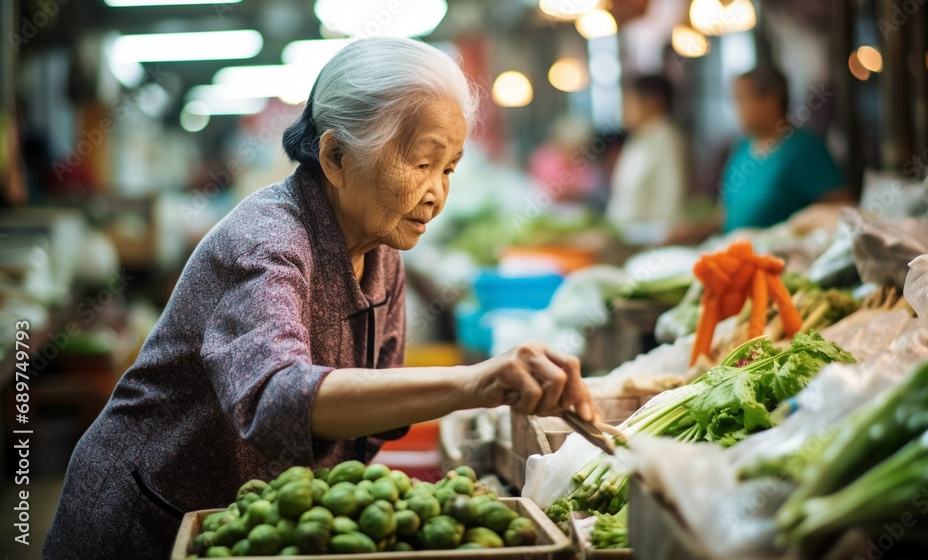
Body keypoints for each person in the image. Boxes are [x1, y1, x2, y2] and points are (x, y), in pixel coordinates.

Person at [44, 37, 596, 559]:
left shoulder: (384, 252)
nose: (436, 194)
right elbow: (276, 398)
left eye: (448, 168)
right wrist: (476, 381)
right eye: (422, 164)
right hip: (148, 522)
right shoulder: (266, 240)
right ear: (334, 157)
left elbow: (374, 412)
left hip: (252, 522)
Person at [719, 66, 849, 232]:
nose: (736, 108)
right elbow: (727, 213)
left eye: (742, 99)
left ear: (771, 101)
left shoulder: (803, 148)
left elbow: (840, 204)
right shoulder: (742, 148)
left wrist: (791, 230)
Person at [606, 75, 691, 245]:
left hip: (648, 244)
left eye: (630, 103)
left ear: (653, 102)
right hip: (626, 237)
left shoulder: (668, 141)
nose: (624, 111)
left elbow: (670, 207)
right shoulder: (639, 139)